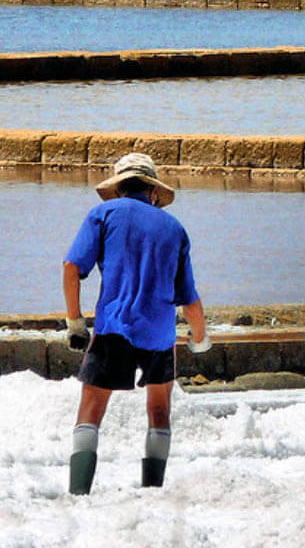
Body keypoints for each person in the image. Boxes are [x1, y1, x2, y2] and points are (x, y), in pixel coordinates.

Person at [62, 153, 209, 494]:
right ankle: (152, 491)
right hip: (159, 334)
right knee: (159, 410)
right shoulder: (174, 228)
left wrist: (75, 322)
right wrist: (199, 339)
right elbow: (190, 300)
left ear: (118, 188)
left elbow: (72, 267)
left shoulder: (102, 214)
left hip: (115, 326)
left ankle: (79, 494)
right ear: (153, 192)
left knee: (92, 407)